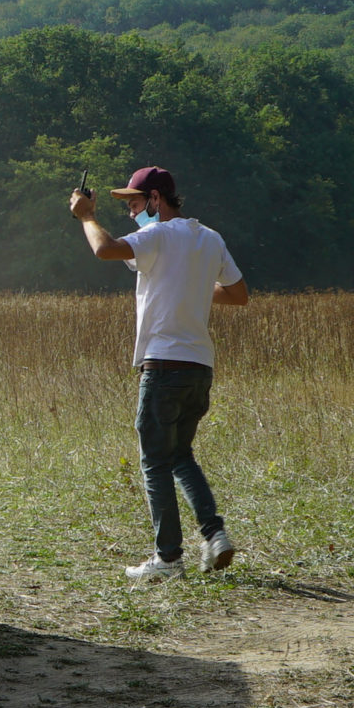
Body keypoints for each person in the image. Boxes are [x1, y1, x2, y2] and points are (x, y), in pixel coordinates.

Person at [69, 166, 249, 581]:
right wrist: (193, 287)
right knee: (180, 455)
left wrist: (86, 217)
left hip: (163, 366)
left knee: (153, 461)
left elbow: (105, 250)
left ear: (154, 199)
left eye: (134, 204)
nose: (132, 214)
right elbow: (239, 295)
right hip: (199, 367)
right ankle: (215, 534)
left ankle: (168, 558)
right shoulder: (210, 238)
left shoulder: (158, 235)